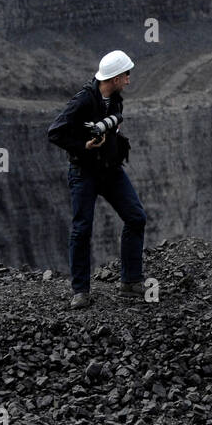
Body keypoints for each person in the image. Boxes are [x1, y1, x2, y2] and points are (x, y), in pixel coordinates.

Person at [47, 50, 146, 309]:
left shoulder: (115, 101)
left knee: (136, 217)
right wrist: (84, 145)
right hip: (84, 173)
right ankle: (80, 291)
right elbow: (55, 132)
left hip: (110, 170)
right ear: (113, 78)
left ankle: (131, 281)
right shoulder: (82, 101)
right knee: (82, 229)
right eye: (126, 74)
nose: (128, 79)